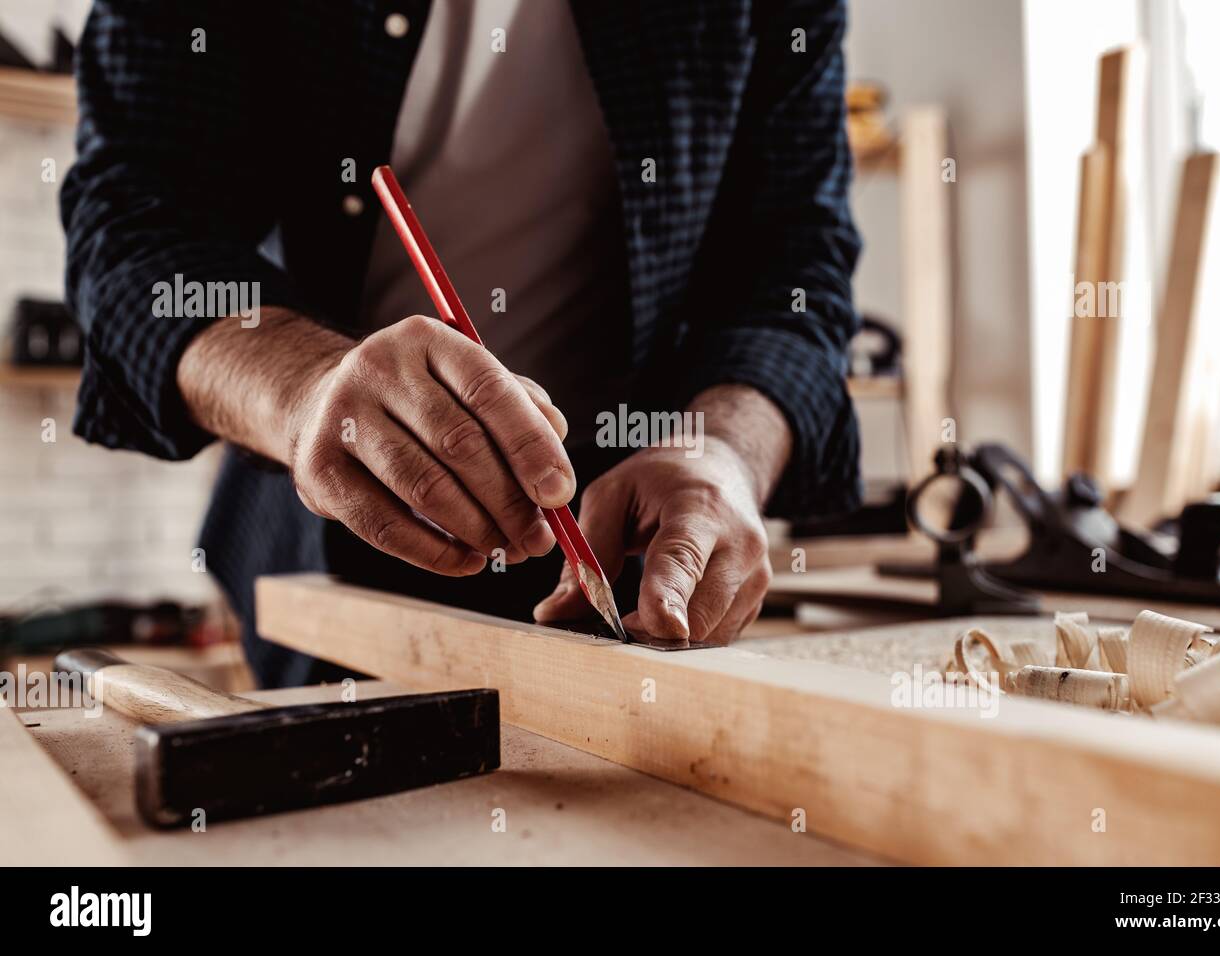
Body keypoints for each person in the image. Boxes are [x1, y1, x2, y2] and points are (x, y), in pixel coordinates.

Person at [61, 0, 862, 686]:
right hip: (328, 536)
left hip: (629, 539)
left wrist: (723, 453)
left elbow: (796, 271)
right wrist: (307, 387)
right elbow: (132, 228)